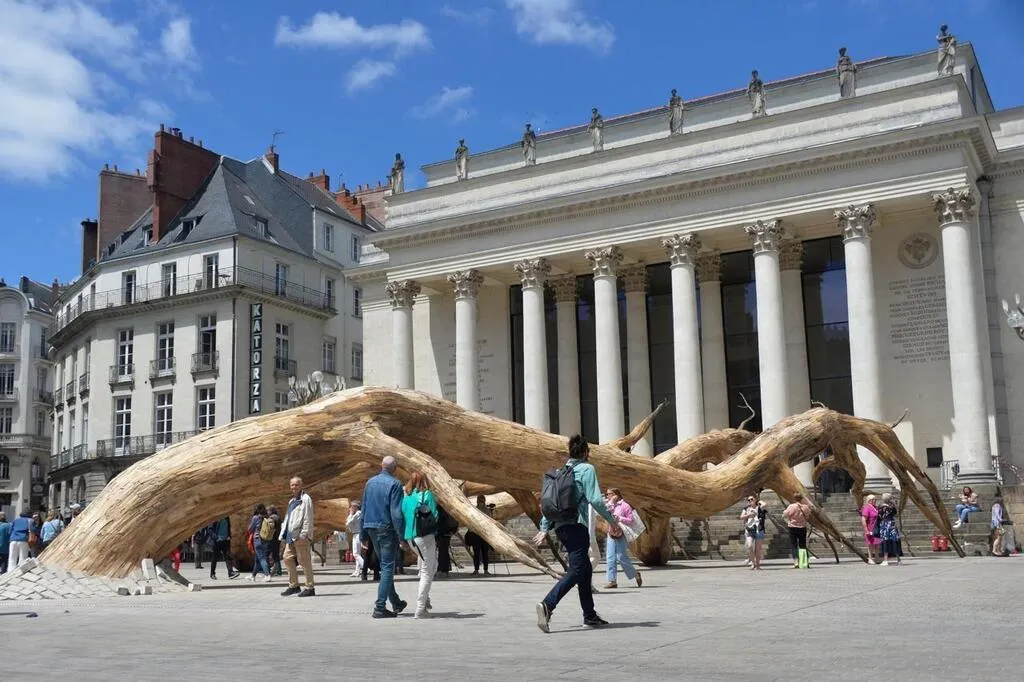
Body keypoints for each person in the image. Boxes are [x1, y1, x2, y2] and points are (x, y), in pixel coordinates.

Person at [533, 434, 622, 633]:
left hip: (561, 527)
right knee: (577, 569)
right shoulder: (586, 469)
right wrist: (611, 521)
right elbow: (596, 500)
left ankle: (589, 615)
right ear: (586, 453)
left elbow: (550, 502)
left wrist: (544, 527)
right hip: (577, 526)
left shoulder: (560, 471)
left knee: (585, 571)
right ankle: (548, 605)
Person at [360, 456, 408, 618]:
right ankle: (380, 606)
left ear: (382, 466)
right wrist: (402, 536)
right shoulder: (395, 484)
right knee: (388, 567)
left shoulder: (369, 483)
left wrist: (363, 534)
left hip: (371, 526)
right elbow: (396, 513)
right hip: (386, 529)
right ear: (395, 469)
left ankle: (396, 602)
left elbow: (364, 508)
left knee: (385, 566)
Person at [401, 472, 439, 619]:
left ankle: (425, 598)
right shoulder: (427, 495)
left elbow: (403, 515)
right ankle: (420, 608)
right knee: (426, 571)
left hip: (410, 537)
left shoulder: (406, 497)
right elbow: (434, 514)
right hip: (425, 536)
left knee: (431, 565)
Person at [280, 476, 315, 597]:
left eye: (296, 485)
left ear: (301, 485)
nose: (294, 487)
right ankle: (294, 585)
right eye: (292, 485)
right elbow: (288, 518)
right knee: (287, 558)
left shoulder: (305, 499)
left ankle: (310, 587)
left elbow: (308, 517)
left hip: (300, 536)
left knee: (304, 561)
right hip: (291, 536)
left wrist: (304, 534)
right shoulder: (291, 501)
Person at [603, 488, 642, 588]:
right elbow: (606, 511)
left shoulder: (625, 506)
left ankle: (635, 574)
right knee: (610, 557)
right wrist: (611, 502)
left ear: (616, 494)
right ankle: (612, 581)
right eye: (606, 494)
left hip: (621, 533)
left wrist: (620, 518)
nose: (607, 496)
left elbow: (630, 520)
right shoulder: (610, 504)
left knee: (621, 557)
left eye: (609, 494)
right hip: (611, 532)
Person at [783, 492, 813, 569]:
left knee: (794, 545)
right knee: (803, 545)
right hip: (802, 527)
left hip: (792, 527)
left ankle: (796, 562)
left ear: (794, 498)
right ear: (801, 498)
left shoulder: (791, 506)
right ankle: (805, 561)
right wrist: (806, 500)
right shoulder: (806, 507)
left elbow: (784, 515)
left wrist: (788, 520)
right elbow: (810, 510)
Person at [464, 495, 492, 575]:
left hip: (480, 533)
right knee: (481, 553)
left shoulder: (480, 510)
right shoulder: (479, 510)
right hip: (479, 533)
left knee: (481, 553)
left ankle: (480, 569)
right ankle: (482, 570)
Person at [740, 494, 768, 570]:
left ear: (755, 500)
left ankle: (758, 564)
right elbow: (741, 517)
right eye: (748, 500)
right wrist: (749, 515)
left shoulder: (760, 508)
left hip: (759, 529)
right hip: (749, 529)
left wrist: (759, 501)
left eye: (751, 499)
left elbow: (765, 504)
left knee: (758, 548)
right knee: (749, 546)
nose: (749, 501)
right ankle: (753, 563)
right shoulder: (746, 508)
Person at [247, 503, 272, 582]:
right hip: (266, 540)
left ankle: (267, 575)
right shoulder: (267, 517)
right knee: (258, 559)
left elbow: (250, 529)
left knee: (262, 559)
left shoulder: (255, 518)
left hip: (257, 540)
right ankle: (253, 575)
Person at [877, 493, 902, 566]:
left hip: (884, 524)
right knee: (894, 540)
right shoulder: (891, 507)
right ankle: (898, 559)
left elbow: (879, 516)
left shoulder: (880, 507)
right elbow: (895, 513)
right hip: (891, 524)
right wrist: (894, 503)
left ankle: (885, 560)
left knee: (885, 541)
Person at [860, 494, 881, 565]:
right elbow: (863, 519)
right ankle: (870, 558)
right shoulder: (867, 507)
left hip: (877, 528)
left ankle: (877, 557)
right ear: (869, 500)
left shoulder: (876, 507)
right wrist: (866, 530)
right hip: (870, 528)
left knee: (877, 543)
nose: (875, 501)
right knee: (870, 544)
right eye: (874, 499)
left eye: (875, 499)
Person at [346, 501, 364, 578]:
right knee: (358, 554)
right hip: (355, 534)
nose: (350, 508)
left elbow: (348, 522)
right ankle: (357, 571)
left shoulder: (358, 513)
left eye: (352, 506)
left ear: (355, 507)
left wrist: (350, 514)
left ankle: (366, 567)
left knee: (355, 554)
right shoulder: (355, 514)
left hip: (358, 534)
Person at [267, 505, 283, 576]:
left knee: (269, 554)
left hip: (272, 538)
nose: (267, 512)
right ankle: (279, 571)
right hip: (278, 538)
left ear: (271, 511)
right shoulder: (278, 517)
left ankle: (271, 570)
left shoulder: (271, 518)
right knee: (276, 555)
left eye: (268, 511)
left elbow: (270, 529)